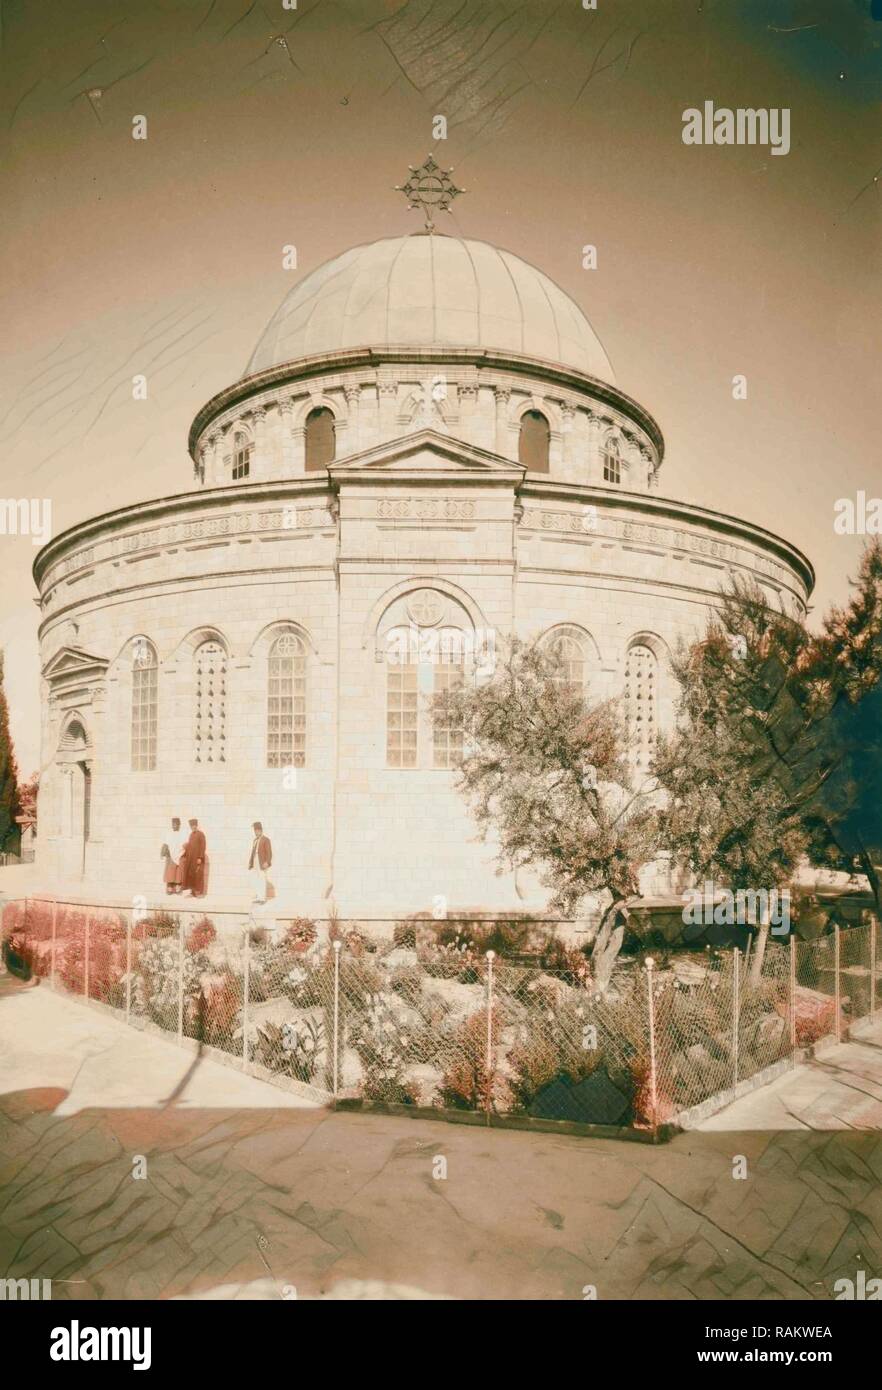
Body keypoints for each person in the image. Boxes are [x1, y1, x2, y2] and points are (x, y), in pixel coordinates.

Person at [181, 818, 207, 897]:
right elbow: (190, 846)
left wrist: (200, 857)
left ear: (197, 825)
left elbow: (203, 846)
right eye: (192, 826)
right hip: (191, 859)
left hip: (197, 859)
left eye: (194, 825)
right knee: (191, 875)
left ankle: (199, 893)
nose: (193, 827)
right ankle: (192, 892)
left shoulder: (201, 834)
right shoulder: (191, 835)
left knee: (198, 875)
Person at [248, 822, 272, 904]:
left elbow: (269, 852)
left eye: (257, 831)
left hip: (262, 862)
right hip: (255, 861)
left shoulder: (266, 839)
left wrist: (267, 862)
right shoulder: (255, 840)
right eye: (255, 831)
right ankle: (258, 896)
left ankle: (262, 898)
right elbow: (253, 852)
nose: (256, 832)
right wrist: (250, 862)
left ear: (261, 830)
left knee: (262, 879)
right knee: (256, 879)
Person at [161, 817, 187, 894]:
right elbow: (165, 844)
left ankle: (178, 887)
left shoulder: (182, 834)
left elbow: (185, 844)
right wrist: (163, 852)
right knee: (170, 871)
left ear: (179, 825)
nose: (174, 826)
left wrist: (183, 852)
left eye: (176, 824)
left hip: (180, 855)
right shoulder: (169, 834)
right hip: (171, 856)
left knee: (178, 872)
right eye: (173, 824)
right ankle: (169, 887)